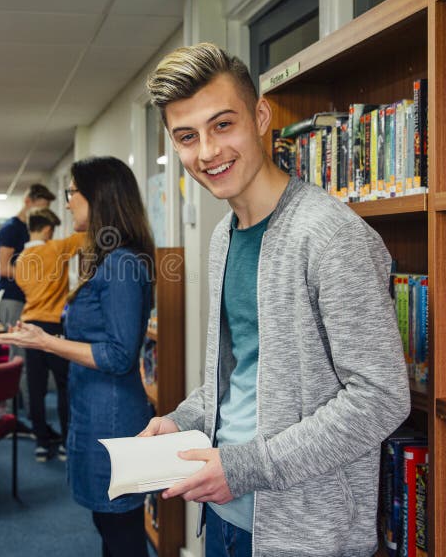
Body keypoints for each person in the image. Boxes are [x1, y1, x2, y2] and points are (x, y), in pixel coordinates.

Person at [140, 42, 410, 556]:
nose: (208, 152)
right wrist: (182, 420)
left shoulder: (330, 236)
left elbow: (381, 396)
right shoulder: (224, 235)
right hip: (224, 511)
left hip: (304, 533)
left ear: (260, 116)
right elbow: (241, 374)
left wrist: (245, 467)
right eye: (187, 137)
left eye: (223, 125)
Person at [0, 156, 154, 557]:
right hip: (93, 408)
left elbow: (118, 355)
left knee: (120, 528)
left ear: (98, 197)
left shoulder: (122, 263)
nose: (66, 204)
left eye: (72, 194)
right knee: (108, 523)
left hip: (112, 414)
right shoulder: (106, 260)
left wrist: (47, 343)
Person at [14, 208, 83, 462]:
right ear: (46, 230)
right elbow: (86, 238)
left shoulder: (21, 260)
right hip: (54, 329)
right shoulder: (55, 248)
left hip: (30, 327)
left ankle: (42, 443)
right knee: (64, 387)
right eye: (51, 231)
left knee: (36, 388)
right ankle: (66, 443)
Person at [0, 182, 56, 426]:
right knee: (19, 357)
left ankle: (27, 409)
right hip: (11, 298)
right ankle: (15, 413)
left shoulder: (30, 230)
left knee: (26, 357)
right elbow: (3, 267)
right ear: (28, 201)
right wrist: (33, 276)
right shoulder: (12, 228)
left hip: (24, 298)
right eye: (39, 208)